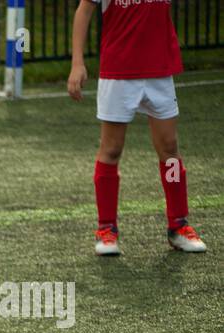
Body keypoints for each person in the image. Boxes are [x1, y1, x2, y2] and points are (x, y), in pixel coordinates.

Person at [67, 0, 206, 255]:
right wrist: (77, 63)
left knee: (170, 148)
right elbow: (83, 11)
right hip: (118, 72)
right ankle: (106, 229)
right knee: (111, 149)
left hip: (160, 71)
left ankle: (178, 225)